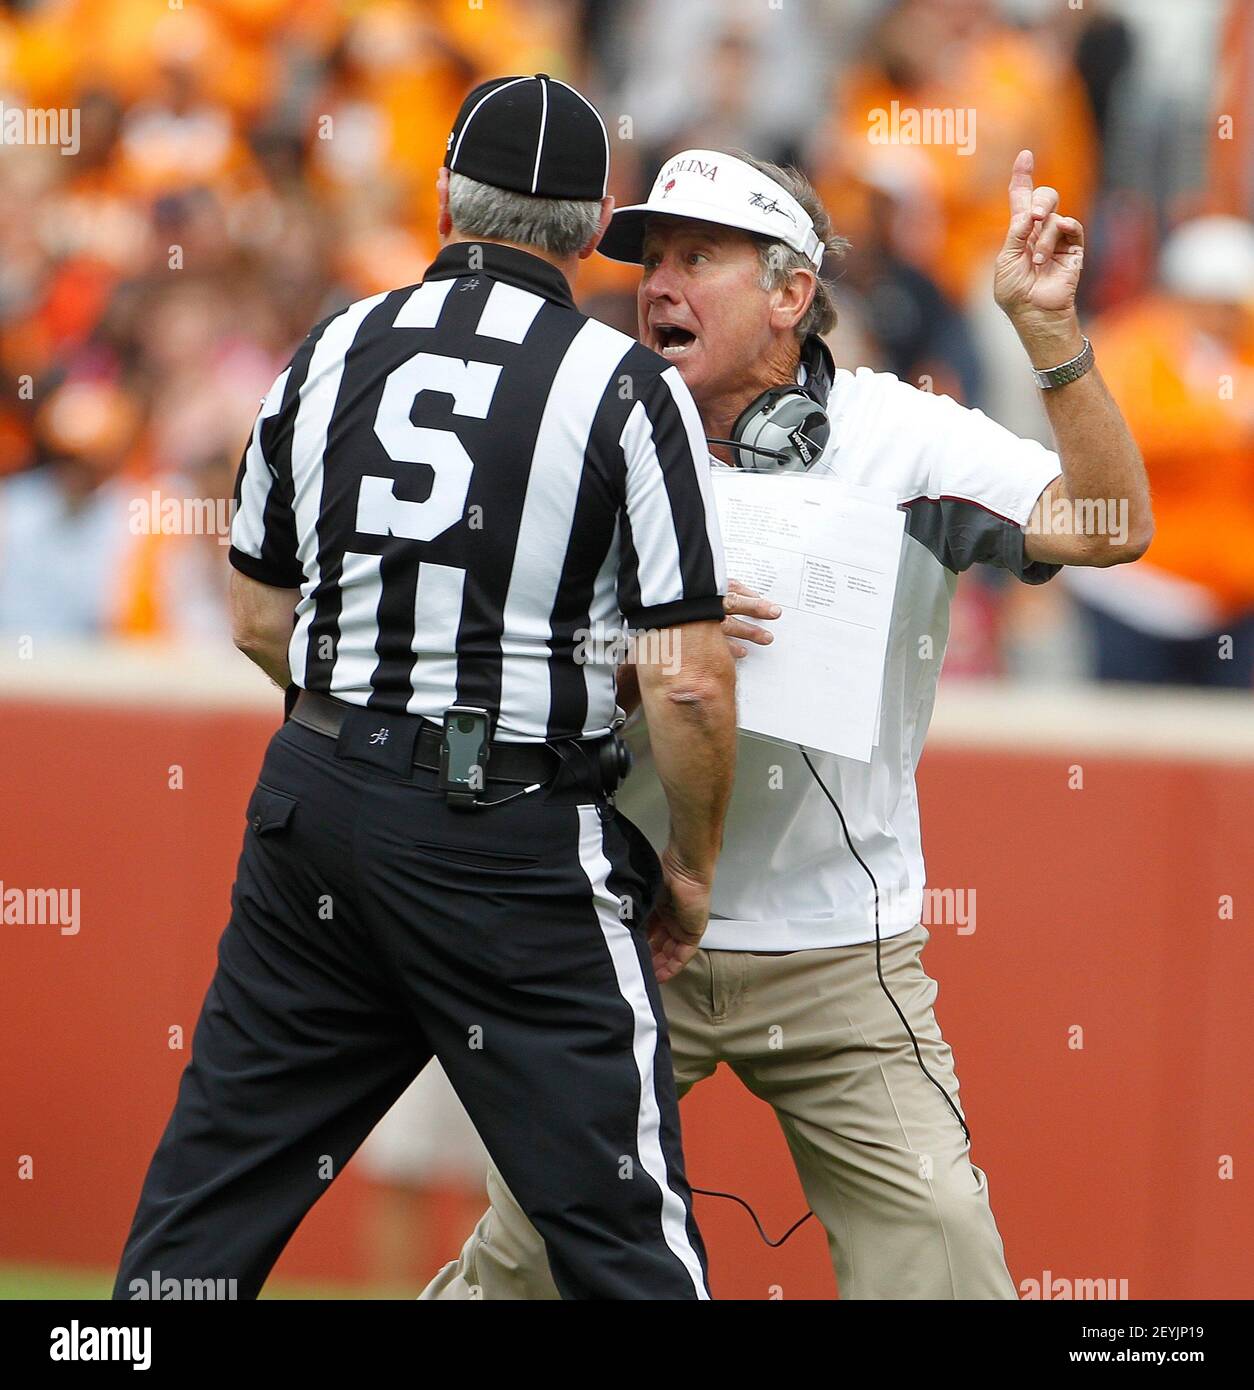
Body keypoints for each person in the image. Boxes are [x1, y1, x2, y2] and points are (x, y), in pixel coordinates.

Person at [421, 146, 1152, 1301]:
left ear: (791, 293)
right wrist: (636, 653)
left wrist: (1051, 332)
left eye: (696, 257)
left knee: (943, 1250)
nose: (660, 284)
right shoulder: (580, 431)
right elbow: (484, 678)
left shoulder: (903, 435)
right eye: (652, 259)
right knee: (524, 1264)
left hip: (839, 943)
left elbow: (1110, 524)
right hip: (629, 927)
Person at [112, 77, 736, 1302]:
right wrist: (694, 868)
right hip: (504, 828)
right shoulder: (624, 385)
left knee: (210, 1200)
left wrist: (363, 721)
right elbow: (692, 686)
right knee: (625, 1233)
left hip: (315, 801)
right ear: (590, 229)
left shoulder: (334, 345)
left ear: (448, 199)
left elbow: (257, 615)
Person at [1065, 215, 1254, 686]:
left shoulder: (1242, 352)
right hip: (1137, 589)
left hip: (1228, 594)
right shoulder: (1131, 347)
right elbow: (1114, 439)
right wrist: (1221, 422)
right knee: (1136, 720)